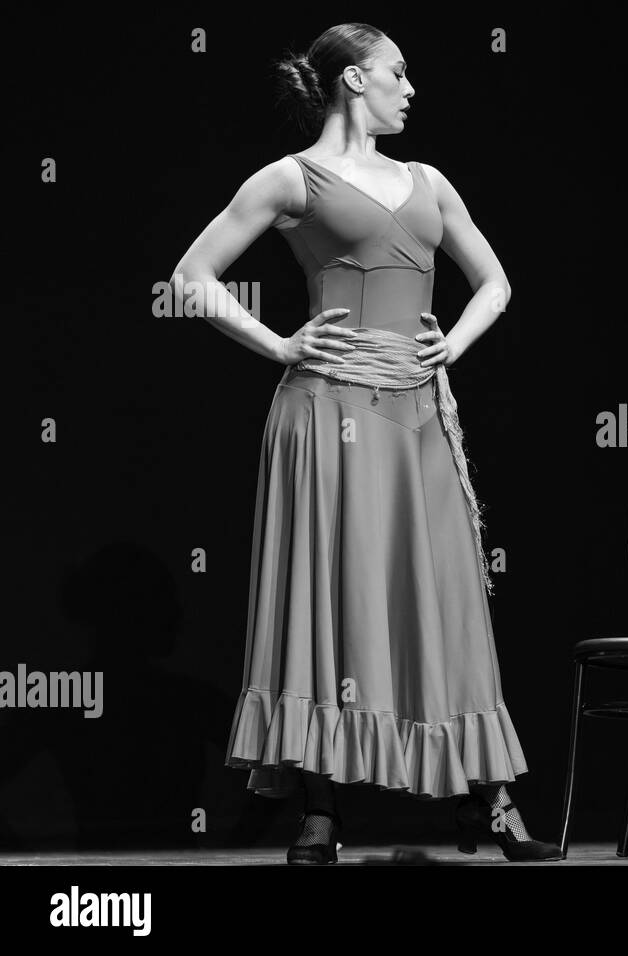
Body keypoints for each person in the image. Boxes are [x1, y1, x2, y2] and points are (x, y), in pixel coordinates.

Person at [172, 23, 559, 863]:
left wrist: (453, 344)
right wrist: (279, 343)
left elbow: (495, 282)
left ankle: (489, 803)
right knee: (334, 598)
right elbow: (191, 277)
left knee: (446, 599)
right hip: (327, 410)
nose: (410, 89)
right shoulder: (293, 178)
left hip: (419, 414)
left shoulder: (428, 181)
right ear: (354, 79)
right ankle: (322, 810)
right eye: (398, 73)